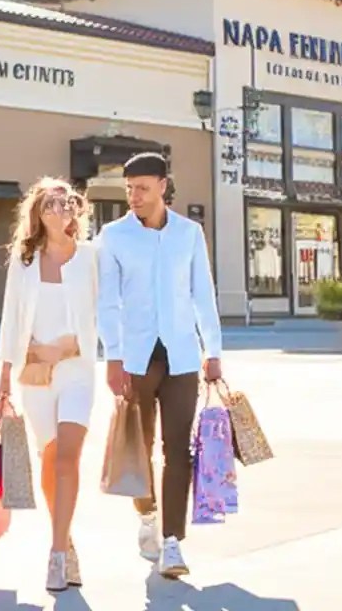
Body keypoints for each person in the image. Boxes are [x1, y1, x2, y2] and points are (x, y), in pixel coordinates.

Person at [95, 152, 223, 579]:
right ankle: (146, 513)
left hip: (182, 356)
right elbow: (107, 302)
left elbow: (202, 294)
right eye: (129, 189)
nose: (135, 196)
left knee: (178, 449)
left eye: (143, 188)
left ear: (164, 186)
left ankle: (172, 541)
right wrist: (112, 354)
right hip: (135, 358)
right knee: (139, 445)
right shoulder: (112, 237)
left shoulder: (189, 234)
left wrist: (214, 350)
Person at [0, 176, 98, 593]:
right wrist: (4, 374)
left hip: (77, 371)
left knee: (69, 459)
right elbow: (11, 319)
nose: (58, 211)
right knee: (50, 460)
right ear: (37, 214)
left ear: (76, 209)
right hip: (34, 375)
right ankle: (65, 538)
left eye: (64, 203)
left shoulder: (91, 258)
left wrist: (71, 348)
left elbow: (103, 312)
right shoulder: (24, 261)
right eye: (49, 205)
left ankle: (56, 556)